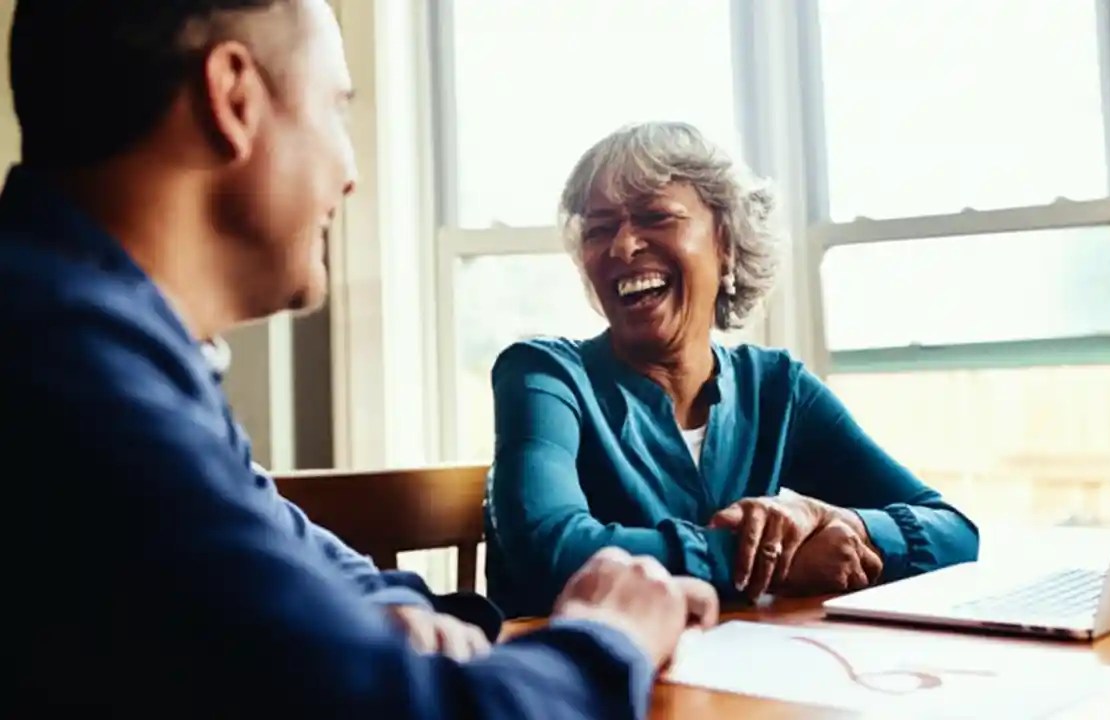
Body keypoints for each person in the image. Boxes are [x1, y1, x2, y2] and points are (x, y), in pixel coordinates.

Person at [3, 1, 716, 716]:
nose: (349, 172)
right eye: (337, 107)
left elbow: (286, 546)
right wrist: (610, 636)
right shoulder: (66, 373)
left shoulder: (95, 334)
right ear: (234, 97)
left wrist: (389, 615)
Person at [485, 121, 980, 618]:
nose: (622, 247)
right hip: (574, 681)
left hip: (731, 681)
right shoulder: (543, 375)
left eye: (656, 216)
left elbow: (955, 533)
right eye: (599, 229)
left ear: (727, 241)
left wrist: (835, 521)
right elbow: (549, 548)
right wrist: (773, 561)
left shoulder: (776, 389)